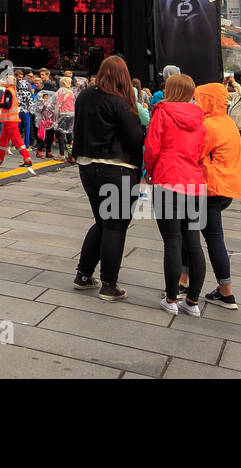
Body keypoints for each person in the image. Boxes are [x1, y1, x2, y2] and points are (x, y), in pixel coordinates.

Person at [71, 55, 145, 302]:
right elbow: (135, 139)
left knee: (102, 222)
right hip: (117, 168)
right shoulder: (120, 102)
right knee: (116, 225)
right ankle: (109, 284)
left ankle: (83, 274)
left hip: (87, 166)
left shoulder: (84, 96)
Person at [144, 73, 207, 316]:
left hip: (168, 178)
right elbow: (200, 149)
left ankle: (170, 299)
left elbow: (152, 146)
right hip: (194, 182)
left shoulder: (162, 111)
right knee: (194, 243)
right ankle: (192, 302)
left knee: (172, 241)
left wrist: (149, 171)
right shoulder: (199, 116)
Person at [179, 82, 241, 310]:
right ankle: (189, 281)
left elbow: (194, 154)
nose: (196, 103)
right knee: (202, 235)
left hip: (207, 188)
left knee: (203, 238)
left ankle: (223, 291)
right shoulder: (228, 123)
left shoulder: (208, 126)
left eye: (199, 99)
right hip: (224, 189)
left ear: (208, 101)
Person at [0, 72, 34, 169]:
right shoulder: (12, 90)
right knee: (3, 140)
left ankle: (27, 159)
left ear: (8, 82)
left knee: (16, 140)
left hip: (10, 121)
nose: (3, 81)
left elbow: (7, 105)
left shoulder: (8, 91)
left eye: (5, 79)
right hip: (9, 120)